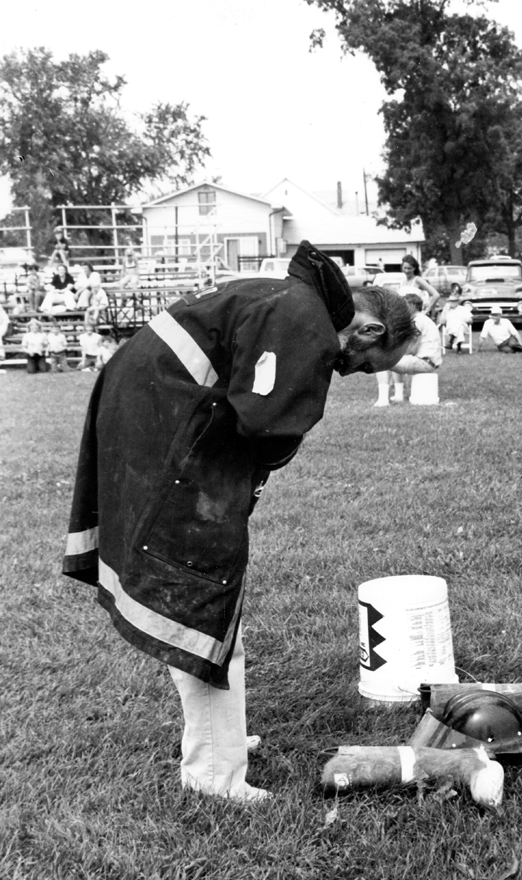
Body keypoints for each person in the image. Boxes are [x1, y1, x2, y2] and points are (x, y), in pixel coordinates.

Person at [62, 241, 417, 801]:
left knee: (205, 599)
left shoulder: (289, 298)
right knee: (203, 599)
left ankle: (216, 737)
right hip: (165, 431)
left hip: (148, 413)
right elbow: (270, 425)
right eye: (364, 363)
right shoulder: (304, 315)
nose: (348, 370)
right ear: (369, 330)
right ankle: (212, 773)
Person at [374, 292, 440, 405]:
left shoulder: (416, 321)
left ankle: (383, 400)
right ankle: (398, 395)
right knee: (393, 358)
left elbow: (412, 349)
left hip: (423, 362)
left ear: (413, 306)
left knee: (380, 361)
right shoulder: (423, 319)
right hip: (429, 361)